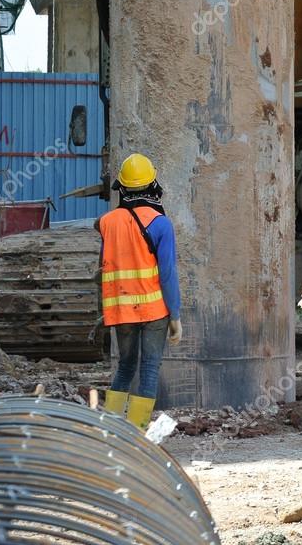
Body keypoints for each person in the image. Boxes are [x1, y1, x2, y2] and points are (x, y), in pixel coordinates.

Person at [96, 152, 182, 430]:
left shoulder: (107, 222)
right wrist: (176, 315)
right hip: (154, 309)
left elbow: (104, 266)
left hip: (121, 309)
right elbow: (167, 274)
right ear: (152, 184)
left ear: (122, 186)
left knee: (125, 366)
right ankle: (137, 433)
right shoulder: (160, 223)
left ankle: (108, 429)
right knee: (148, 369)